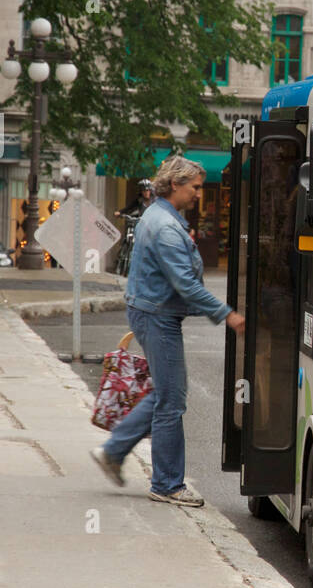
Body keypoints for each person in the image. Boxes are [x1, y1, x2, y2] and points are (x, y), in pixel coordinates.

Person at [91, 157, 245, 506]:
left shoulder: (159, 217)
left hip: (153, 314)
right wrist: (228, 316)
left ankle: (113, 452)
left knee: (167, 395)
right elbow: (186, 285)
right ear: (175, 184)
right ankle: (167, 484)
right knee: (171, 402)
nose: (198, 194)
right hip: (157, 318)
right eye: (193, 187)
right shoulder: (165, 227)